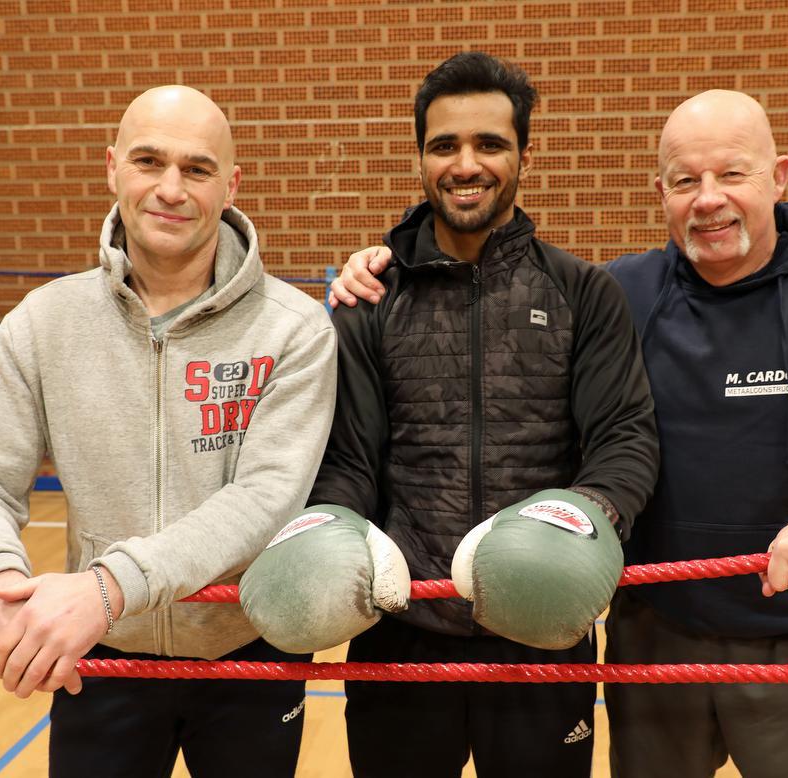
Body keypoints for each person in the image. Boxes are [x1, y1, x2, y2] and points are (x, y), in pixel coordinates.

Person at [330, 89, 788, 778]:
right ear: (659, 190)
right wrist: (390, 255)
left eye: (732, 174)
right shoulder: (619, 293)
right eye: (686, 180)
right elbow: (492, 296)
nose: (708, 199)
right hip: (654, 635)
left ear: (779, 176)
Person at [254, 52, 658, 778]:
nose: (465, 165)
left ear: (524, 156)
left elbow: (624, 439)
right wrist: (330, 535)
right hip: (401, 634)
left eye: (489, 144)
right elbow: (349, 458)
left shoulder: (583, 293)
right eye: (445, 146)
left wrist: (581, 523)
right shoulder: (372, 302)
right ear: (421, 157)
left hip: (541, 632)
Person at [0, 85, 337, 776]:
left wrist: (109, 584)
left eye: (197, 169)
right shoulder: (43, 322)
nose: (170, 188)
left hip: (249, 651)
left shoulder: (295, 328)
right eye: (149, 162)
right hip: (102, 656)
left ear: (230, 185)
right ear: (112, 166)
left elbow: (267, 500)